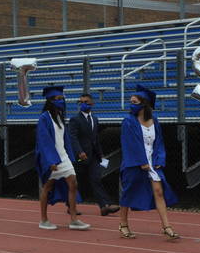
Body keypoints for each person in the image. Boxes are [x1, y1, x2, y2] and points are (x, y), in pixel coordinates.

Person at [118, 84, 180, 240]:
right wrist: (140, 161)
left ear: (144, 104)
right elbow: (129, 144)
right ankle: (123, 224)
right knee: (128, 192)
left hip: (152, 161)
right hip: (133, 162)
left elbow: (159, 142)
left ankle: (166, 227)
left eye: (135, 102)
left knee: (159, 191)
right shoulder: (128, 121)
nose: (131, 105)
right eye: (131, 102)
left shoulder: (154, 120)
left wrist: (159, 158)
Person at [35, 86, 90, 231]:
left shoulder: (59, 117)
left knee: (73, 183)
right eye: (58, 99)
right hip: (52, 158)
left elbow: (65, 139)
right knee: (47, 187)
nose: (61, 101)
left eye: (62, 98)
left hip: (63, 156)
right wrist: (51, 161)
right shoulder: (44, 118)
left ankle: (74, 220)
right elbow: (44, 141)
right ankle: (44, 219)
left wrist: (70, 156)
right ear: (50, 101)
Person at [69, 93, 120, 216]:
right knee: (76, 181)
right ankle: (70, 205)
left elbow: (95, 139)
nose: (83, 104)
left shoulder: (95, 119)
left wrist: (100, 154)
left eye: (86, 102)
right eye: (81, 102)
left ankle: (104, 206)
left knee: (96, 179)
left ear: (92, 103)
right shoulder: (75, 119)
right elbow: (73, 137)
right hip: (80, 157)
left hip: (93, 156)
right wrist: (79, 152)